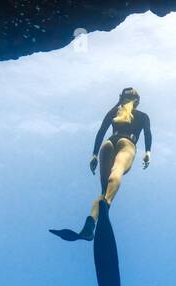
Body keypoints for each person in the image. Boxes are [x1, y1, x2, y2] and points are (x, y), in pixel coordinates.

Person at [50, 87, 152, 242]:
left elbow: (101, 131)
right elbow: (147, 134)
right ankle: (107, 205)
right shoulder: (143, 116)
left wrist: (94, 155)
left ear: (121, 99)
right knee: (117, 171)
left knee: (103, 192)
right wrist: (148, 152)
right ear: (137, 101)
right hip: (127, 144)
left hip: (108, 144)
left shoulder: (113, 113)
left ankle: (90, 224)